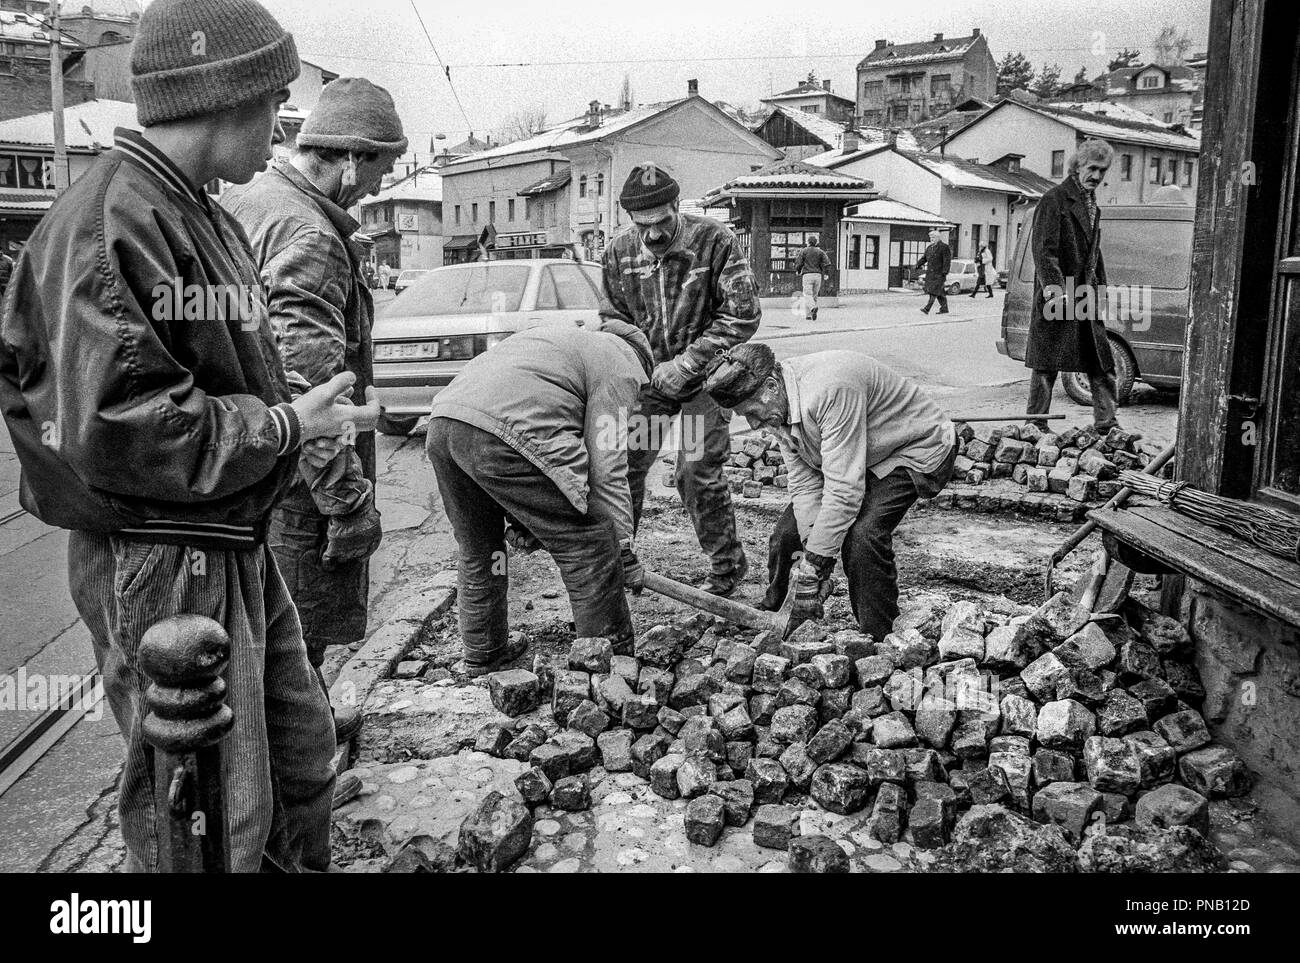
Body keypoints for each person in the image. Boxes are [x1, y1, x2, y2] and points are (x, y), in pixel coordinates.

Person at [0, 0, 381, 873]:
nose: (282, 125)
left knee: (298, 758)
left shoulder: (193, 208)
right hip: (164, 552)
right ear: (222, 95)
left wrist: (288, 415)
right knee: (213, 815)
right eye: (275, 100)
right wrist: (286, 424)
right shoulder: (114, 218)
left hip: (222, 538)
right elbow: (124, 430)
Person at [223, 77, 407, 806]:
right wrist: (348, 501)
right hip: (301, 485)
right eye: (383, 168)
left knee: (265, 643)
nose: (380, 185)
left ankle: (297, 750)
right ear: (352, 160)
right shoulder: (311, 235)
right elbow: (312, 390)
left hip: (251, 462)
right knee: (297, 641)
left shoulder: (251, 201)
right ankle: (299, 798)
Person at [426, 321, 653, 674]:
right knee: (589, 544)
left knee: (481, 548)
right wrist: (622, 548)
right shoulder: (620, 362)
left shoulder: (557, 341)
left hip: (445, 426)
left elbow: (534, 465)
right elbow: (607, 466)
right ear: (641, 363)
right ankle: (609, 668)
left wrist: (530, 522)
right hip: (501, 435)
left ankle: (485, 653)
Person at [704, 344, 958, 642]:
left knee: (862, 536)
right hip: (859, 452)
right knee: (788, 535)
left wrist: (815, 563)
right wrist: (811, 557)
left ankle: (881, 639)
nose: (753, 424)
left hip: (914, 446)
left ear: (771, 386)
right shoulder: (778, 401)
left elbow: (845, 490)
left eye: (751, 412)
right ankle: (779, 615)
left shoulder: (830, 389)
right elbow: (804, 483)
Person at [599, 161, 760, 597]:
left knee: (695, 469)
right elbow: (611, 320)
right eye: (642, 225)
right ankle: (619, 562)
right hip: (650, 382)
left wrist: (687, 364)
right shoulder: (618, 253)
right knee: (623, 465)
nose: (653, 234)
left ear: (677, 206)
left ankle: (726, 567)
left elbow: (742, 316)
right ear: (630, 219)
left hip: (705, 381)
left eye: (662, 221)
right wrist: (642, 364)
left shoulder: (715, 241)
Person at [1025, 139, 1121, 432]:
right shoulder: (1054, 200)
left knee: (1100, 361)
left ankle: (1107, 425)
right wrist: (1056, 292)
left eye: (1102, 171)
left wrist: (1101, 290)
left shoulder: (1091, 204)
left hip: (1085, 296)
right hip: (1059, 295)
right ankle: (1035, 426)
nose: (1097, 176)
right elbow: (1044, 251)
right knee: (1047, 364)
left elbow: (1094, 253)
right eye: (1092, 168)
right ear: (1077, 166)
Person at [794, 234, 831, 320]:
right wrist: (826, 273)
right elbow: (827, 263)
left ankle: (813, 308)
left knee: (807, 294)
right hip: (818, 275)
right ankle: (809, 315)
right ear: (816, 243)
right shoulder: (820, 252)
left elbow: (799, 263)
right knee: (814, 295)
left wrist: (798, 271)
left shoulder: (804, 251)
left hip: (807, 275)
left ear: (808, 242)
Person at [916, 228, 952, 314]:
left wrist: (945, 271)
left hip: (939, 274)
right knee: (939, 292)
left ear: (938, 238)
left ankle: (927, 308)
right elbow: (924, 258)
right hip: (930, 274)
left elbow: (947, 260)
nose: (931, 239)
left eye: (933, 237)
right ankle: (944, 309)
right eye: (930, 238)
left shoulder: (944, 247)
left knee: (934, 291)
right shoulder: (929, 248)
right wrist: (918, 265)